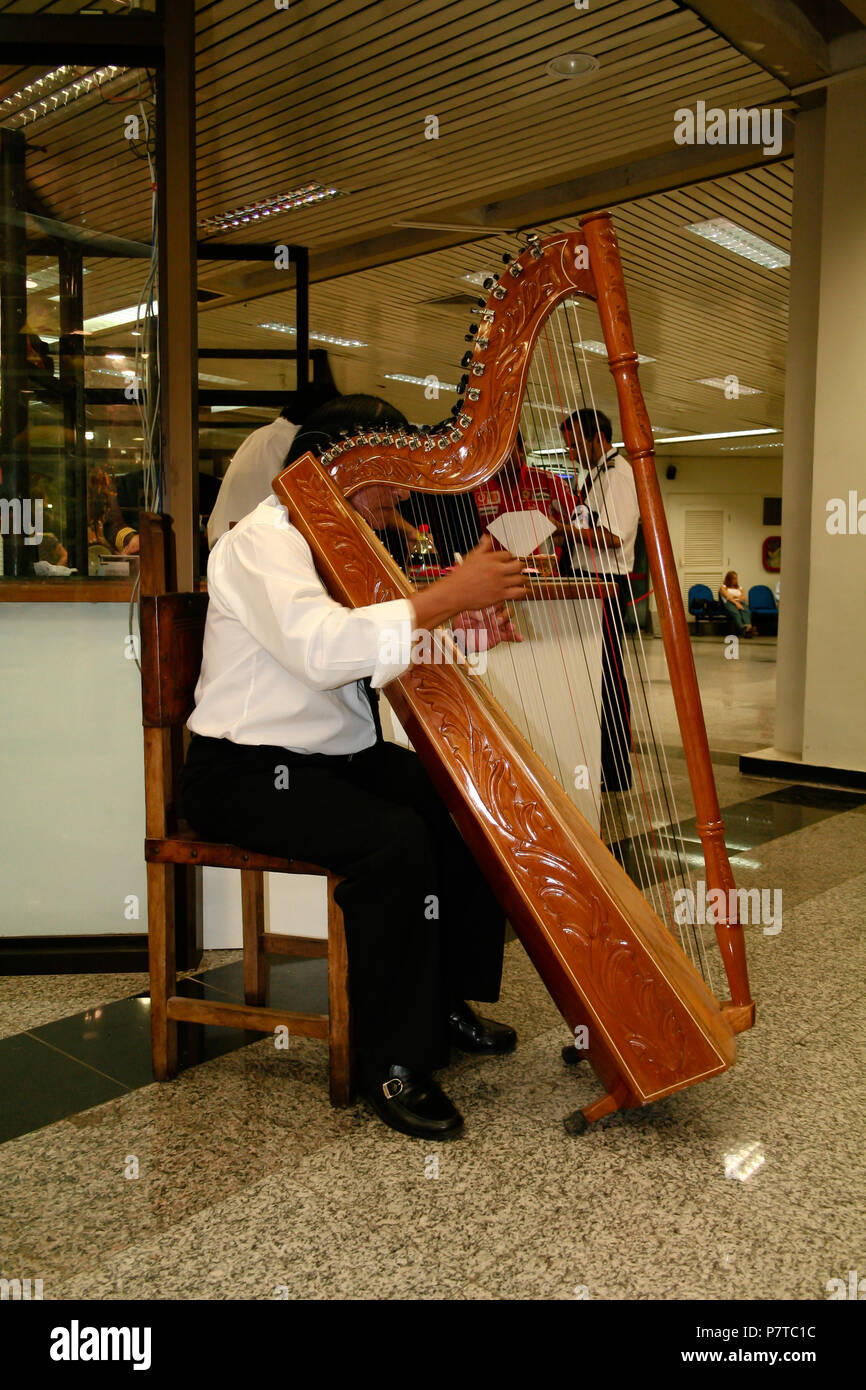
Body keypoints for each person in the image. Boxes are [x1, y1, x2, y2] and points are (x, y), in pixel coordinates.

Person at [180, 396, 526, 1141]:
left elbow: (381, 652)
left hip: (335, 760)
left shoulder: (350, 541)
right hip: (242, 770)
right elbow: (322, 650)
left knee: (464, 801)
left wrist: (463, 622)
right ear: (337, 467)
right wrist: (444, 597)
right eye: (392, 475)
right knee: (392, 841)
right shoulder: (261, 543)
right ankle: (394, 1063)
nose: (403, 494)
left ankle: (444, 1003)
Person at [561, 407, 640, 792]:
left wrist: (565, 532)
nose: (572, 452)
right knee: (588, 675)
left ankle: (616, 768)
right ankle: (593, 756)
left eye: (576, 445)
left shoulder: (619, 476)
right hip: (583, 580)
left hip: (605, 584)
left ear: (598, 438)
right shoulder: (593, 475)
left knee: (608, 675)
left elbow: (612, 536)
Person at [719, 571, 755, 637]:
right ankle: (744, 630)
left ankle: (748, 627)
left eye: (736, 578)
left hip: (740, 602)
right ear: (729, 579)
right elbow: (727, 597)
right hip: (729, 603)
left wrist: (733, 596)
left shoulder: (739, 588)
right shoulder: (723, 587)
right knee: (736, 613)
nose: (735, 580)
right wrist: (736, 603)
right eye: (734, 578)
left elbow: (743, 598)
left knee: (746, 611)